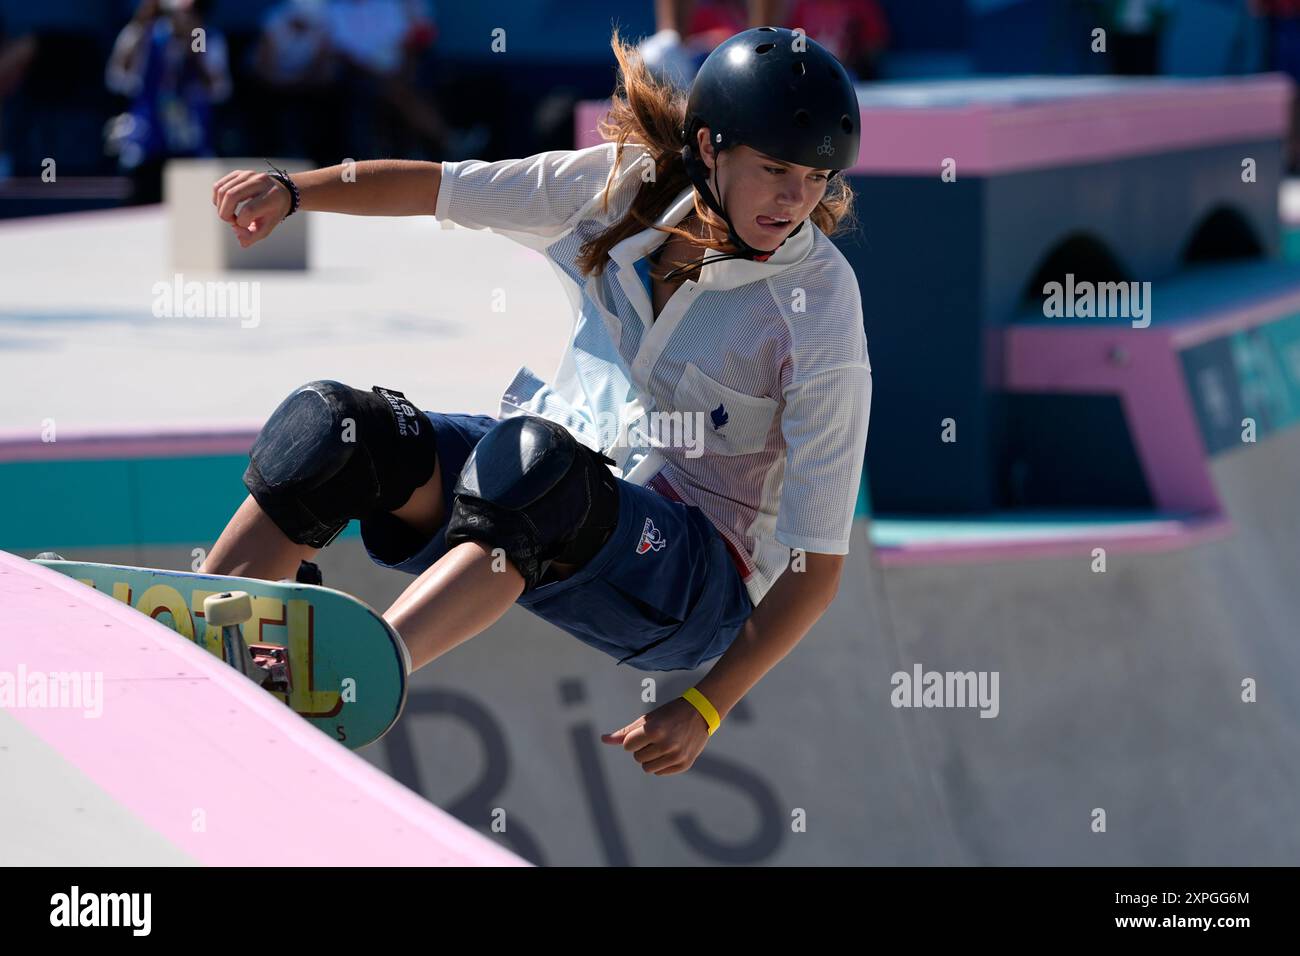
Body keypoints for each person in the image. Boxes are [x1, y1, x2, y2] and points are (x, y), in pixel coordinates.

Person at [205, 26, 871, 777]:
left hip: (697, 581)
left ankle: (360, 678)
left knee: (536, 468)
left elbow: (815, 570)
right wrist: (296, 191)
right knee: (339, 430)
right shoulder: (620, 186)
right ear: (710, 147)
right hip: (566, 490)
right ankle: (196, 627)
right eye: (775, 169)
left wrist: (706, 705)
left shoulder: (817, 306)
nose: (795, 201)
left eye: (817, 179)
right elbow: (440, 187)